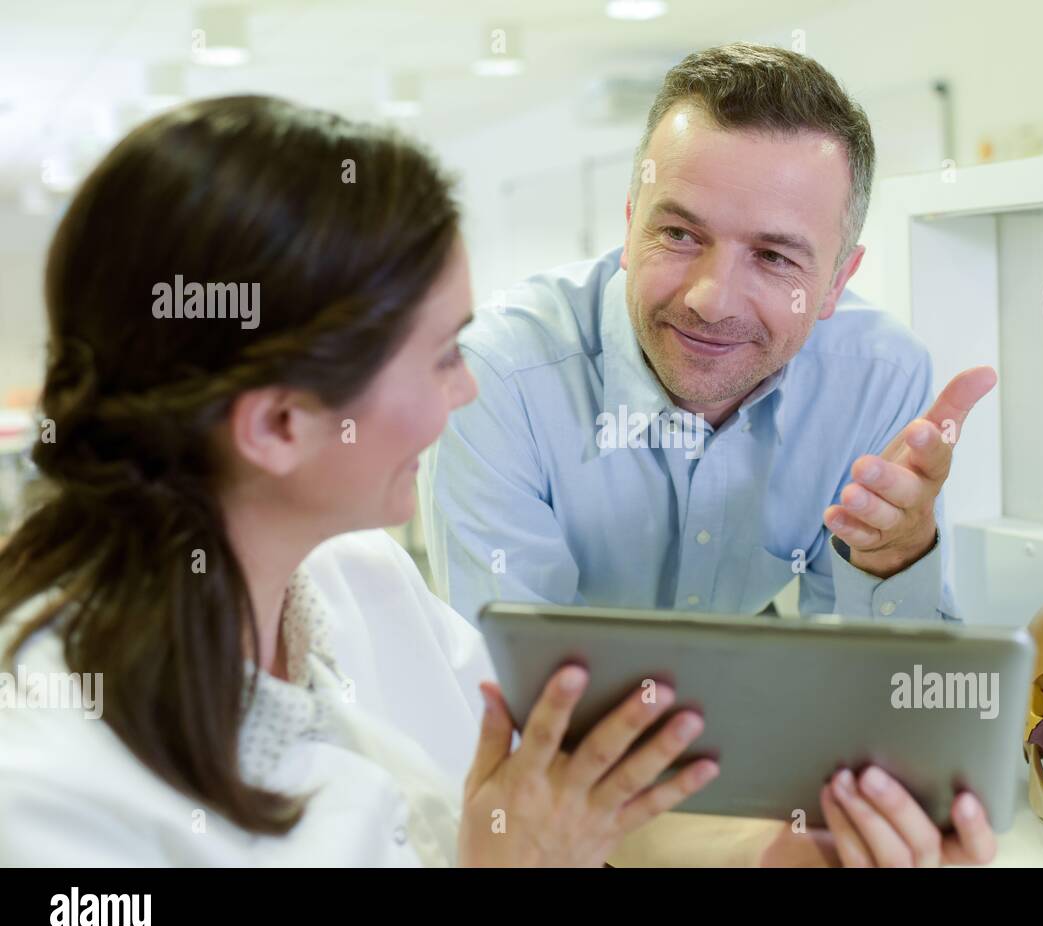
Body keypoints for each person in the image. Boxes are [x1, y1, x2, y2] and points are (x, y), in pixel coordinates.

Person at [0, 95, 996, 868]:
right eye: (440, 355)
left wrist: (795, 855)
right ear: (279, 423)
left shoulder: (362, 580)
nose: (468, 390)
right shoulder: (49, 788)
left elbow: (569, 800)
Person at [423, 42, 996, 624]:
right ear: (630, 224)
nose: (710, 299)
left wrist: (894, 561)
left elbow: (877, 684)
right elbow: (506, 678)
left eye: (773, 257)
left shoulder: (879, 377)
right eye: (678, 235)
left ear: (836, 281)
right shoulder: (496, 377)